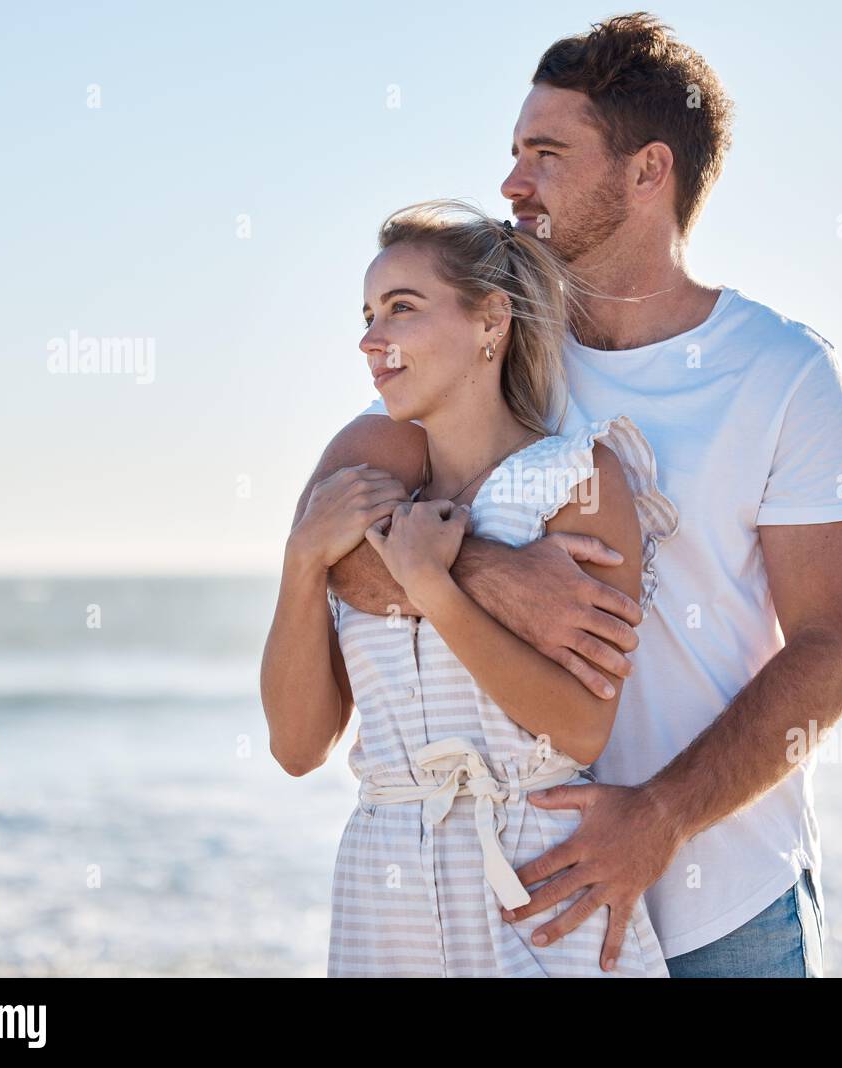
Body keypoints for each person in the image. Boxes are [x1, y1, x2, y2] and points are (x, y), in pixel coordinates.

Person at [294, 13, 842, 978]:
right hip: (527, 907)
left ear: (647, 172)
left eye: (547, 153)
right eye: (513, 152)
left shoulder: (782, 372)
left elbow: (836, 650)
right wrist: (496, 573)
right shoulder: (497, 350)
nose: (511, 184)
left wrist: (658, 818)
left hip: (725, 899)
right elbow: (356, 544)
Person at [261, 198, 677, 976]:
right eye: (367, 314)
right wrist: (301, 560)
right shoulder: (358, 484)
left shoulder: (579, 478)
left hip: (536, 883)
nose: (370, 339)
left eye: (402, 309)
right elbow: (295, 747)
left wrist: (436, 585)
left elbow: (580, 731)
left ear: (491, 321)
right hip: (386, 888)